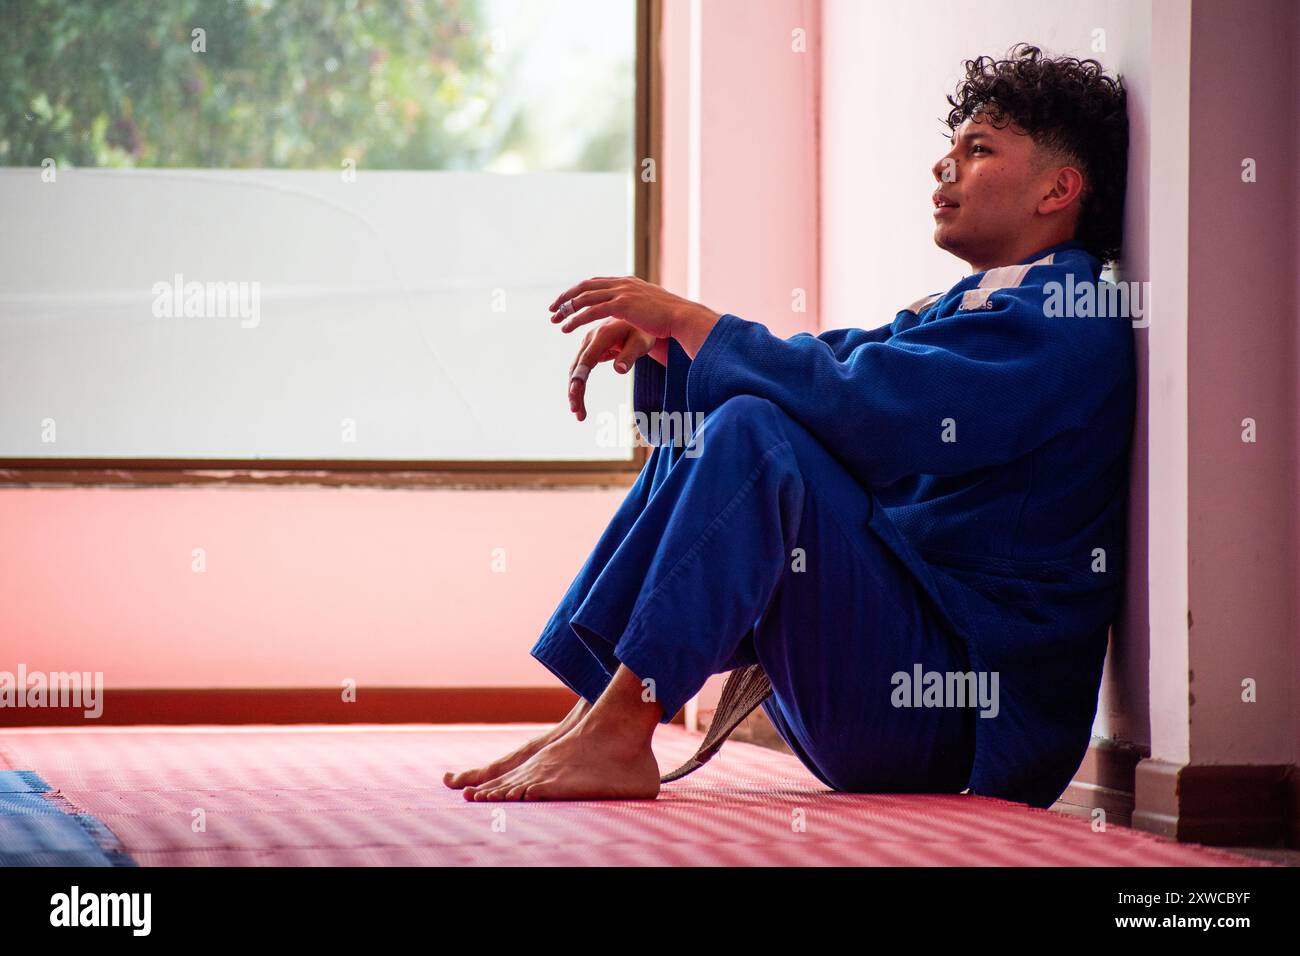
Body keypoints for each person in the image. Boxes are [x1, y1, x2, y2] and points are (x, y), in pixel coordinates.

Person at [444, 43, 1133, 809]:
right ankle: (594, 713)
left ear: (1058, 190)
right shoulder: (970, 310)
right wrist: (677, 342)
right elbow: (837, 366)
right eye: (950, 149)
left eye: (978, 150)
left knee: (753, 428)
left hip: (959, 723)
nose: (945, 168)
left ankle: (615, 731)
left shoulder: (1064, 326)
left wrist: (693, 320)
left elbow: (866, 403)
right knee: (724, 413)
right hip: (895, 691)